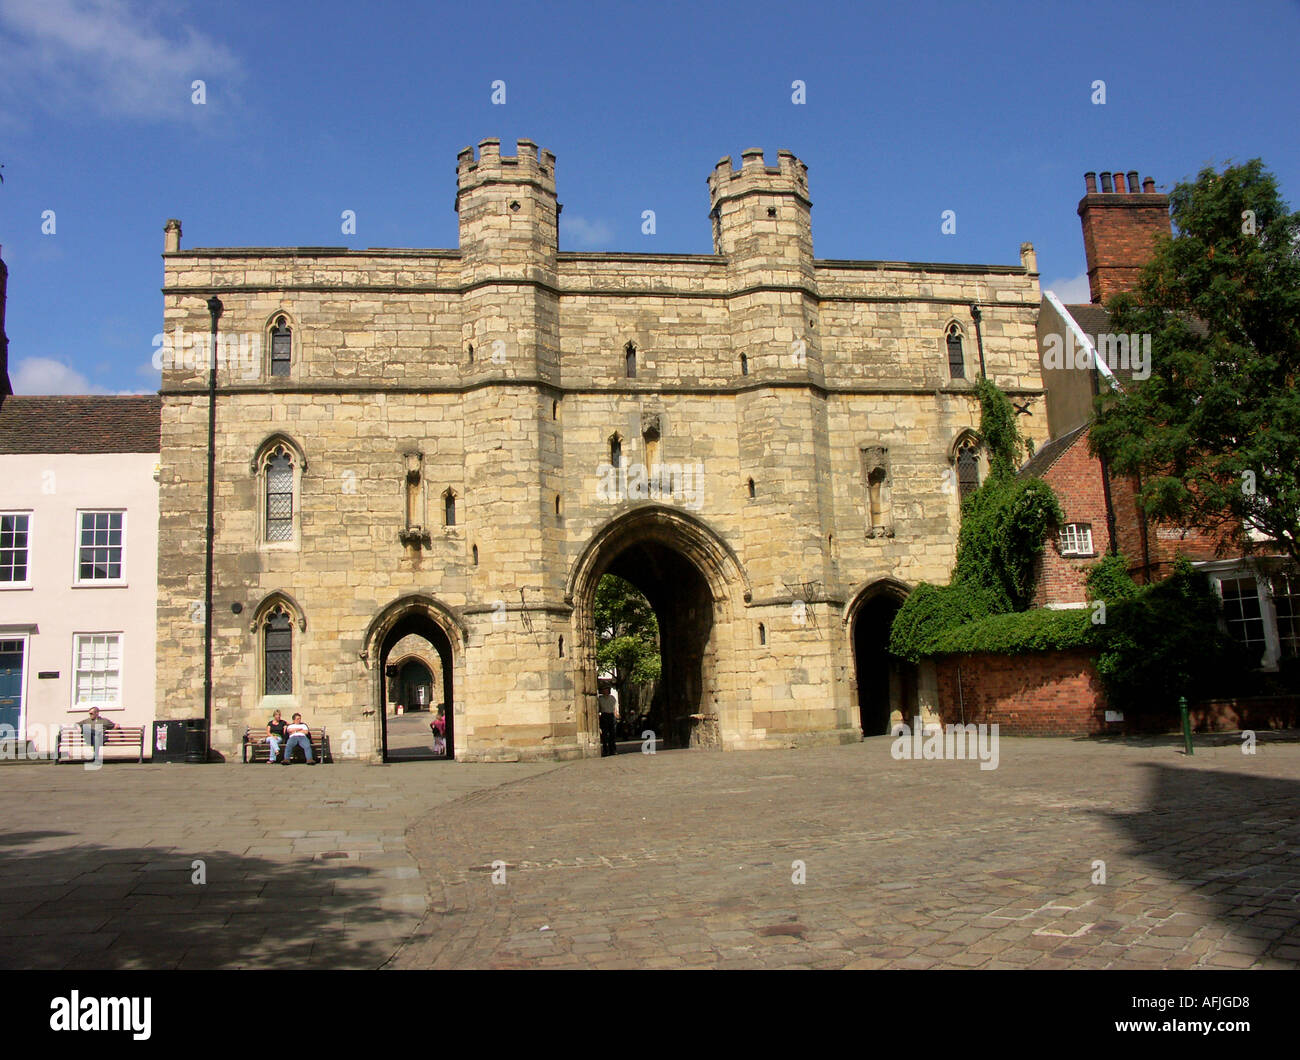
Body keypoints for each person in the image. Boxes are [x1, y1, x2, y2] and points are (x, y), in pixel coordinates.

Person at [597, 684, 619, 757]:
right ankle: (605, 750)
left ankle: (613, 749)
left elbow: (615, 707)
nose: (605, 691)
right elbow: (598, 708)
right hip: (604, 715)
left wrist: (616, 714)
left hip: (611, 715)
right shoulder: (600, 699)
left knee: (612, 734)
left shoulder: (612, 698)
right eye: (604, 689)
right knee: (604, 734)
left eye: (607, 689)